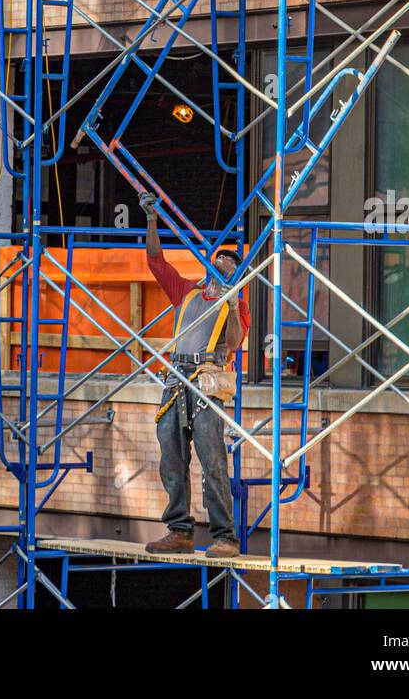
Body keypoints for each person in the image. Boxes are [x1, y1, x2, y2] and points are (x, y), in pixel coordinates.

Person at [140, 191, 249, 559]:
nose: (223, 266)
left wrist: (233, 304)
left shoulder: (238, 304)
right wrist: (152, 219)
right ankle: (179, 529)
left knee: (212, 459)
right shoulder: (187, 292)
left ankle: (225, 537)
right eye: (219, 261)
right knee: (171, 457)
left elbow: (234, 340)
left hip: (206, 381)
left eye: (231, 264)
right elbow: (157, 261)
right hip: (176, 379)